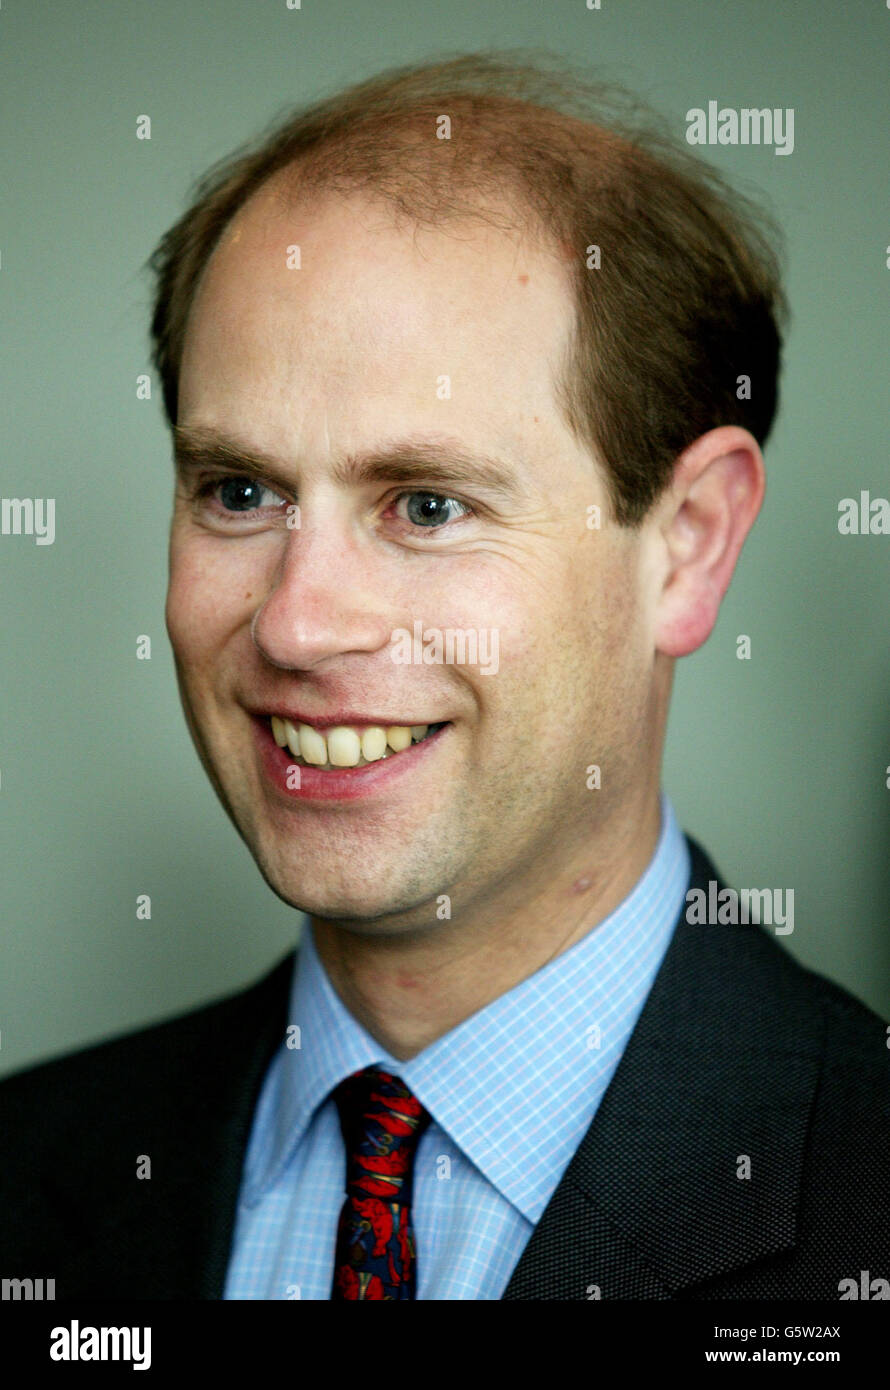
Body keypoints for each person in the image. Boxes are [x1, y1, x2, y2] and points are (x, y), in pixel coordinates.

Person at [2, 53, 888, 1302]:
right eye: (238, 492)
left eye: (426, 504)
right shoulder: (32, 1169)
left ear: (685, 546)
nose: (298, 625)